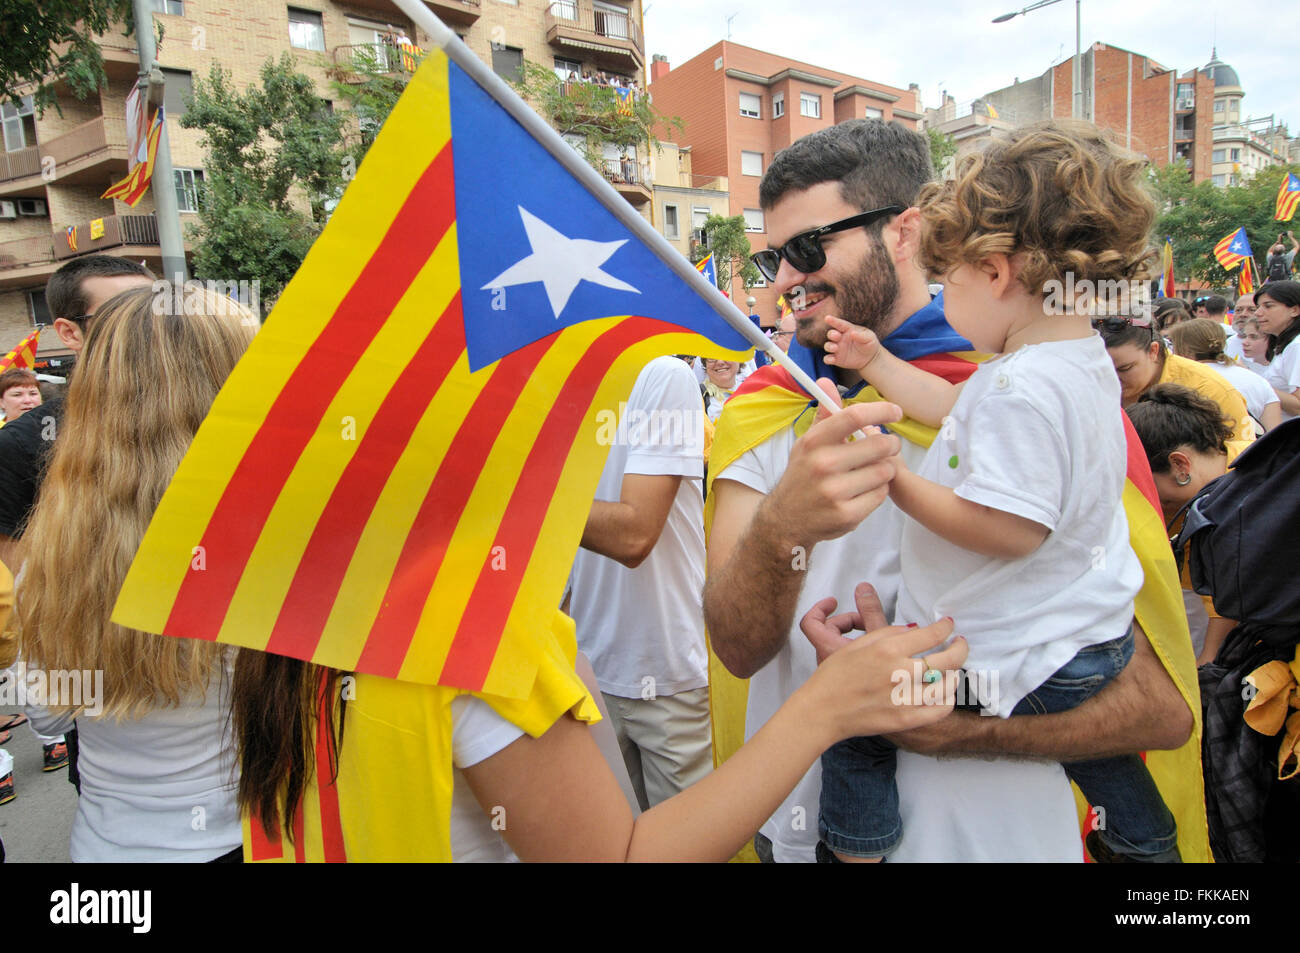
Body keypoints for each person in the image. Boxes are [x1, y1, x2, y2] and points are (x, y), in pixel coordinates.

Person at [705, 118, 1198, 864]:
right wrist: (781, 531)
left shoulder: (1027, 392)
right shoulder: (764, 409)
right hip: (794, 830)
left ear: (904, 232)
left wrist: (943, 721)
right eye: (773, 256)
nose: (781, 281)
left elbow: (1157, 711)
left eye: (808, 248)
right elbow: (738, 652)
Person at [18, 285, 255, 861]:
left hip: (109, 850)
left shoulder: (53, 551)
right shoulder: (279, 536)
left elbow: (47, 717)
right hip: (258, 837)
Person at [569, 356, 713, 810]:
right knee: (613, 844)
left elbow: (634, 536)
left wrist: (523, 497)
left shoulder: (662, 374)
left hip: (668, 671)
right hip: (589, 671)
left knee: (686, 847)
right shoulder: (557, 390)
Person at [0, 255, 153, 574]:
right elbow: (30, 586)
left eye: (156, 311)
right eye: (123, 315)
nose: (149, 327)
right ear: (70, 333)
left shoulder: (210, 418)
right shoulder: (21, 445)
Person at [1125, 385, 1235, 665]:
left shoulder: (1241, 500)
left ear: (1180, 466)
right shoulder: (1227, 475)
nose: (1155, 506)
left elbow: (1230, 593)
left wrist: (1207, 661)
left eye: (1154, 494)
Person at [1098, 317, 1253, 460]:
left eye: (1124, 369)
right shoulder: (1091, 384)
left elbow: (1243, 452)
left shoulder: (1208, 388)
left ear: (1153, 351)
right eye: (1102, 371)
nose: (1112, 379)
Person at [1168, 318, 1280, 432]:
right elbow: (1274, 433)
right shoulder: (1256, 379)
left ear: (1185, 349)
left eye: (1173, 344)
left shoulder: (1180, 382)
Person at [1253, 280, 1300, 422]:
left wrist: (1253, 381)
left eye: (1268, 306)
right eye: (1258, 307)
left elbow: (1297, 406)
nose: (1258, 313)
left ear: (1294, 310)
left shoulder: (1296, 346)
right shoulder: (1287, 345)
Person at [701, 357, 740, 421]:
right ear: (705, 364)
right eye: (712, 357)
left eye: (726, 354)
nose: (720, 362)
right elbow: (689, 429)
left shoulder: (753, 392)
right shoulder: (694, 396)